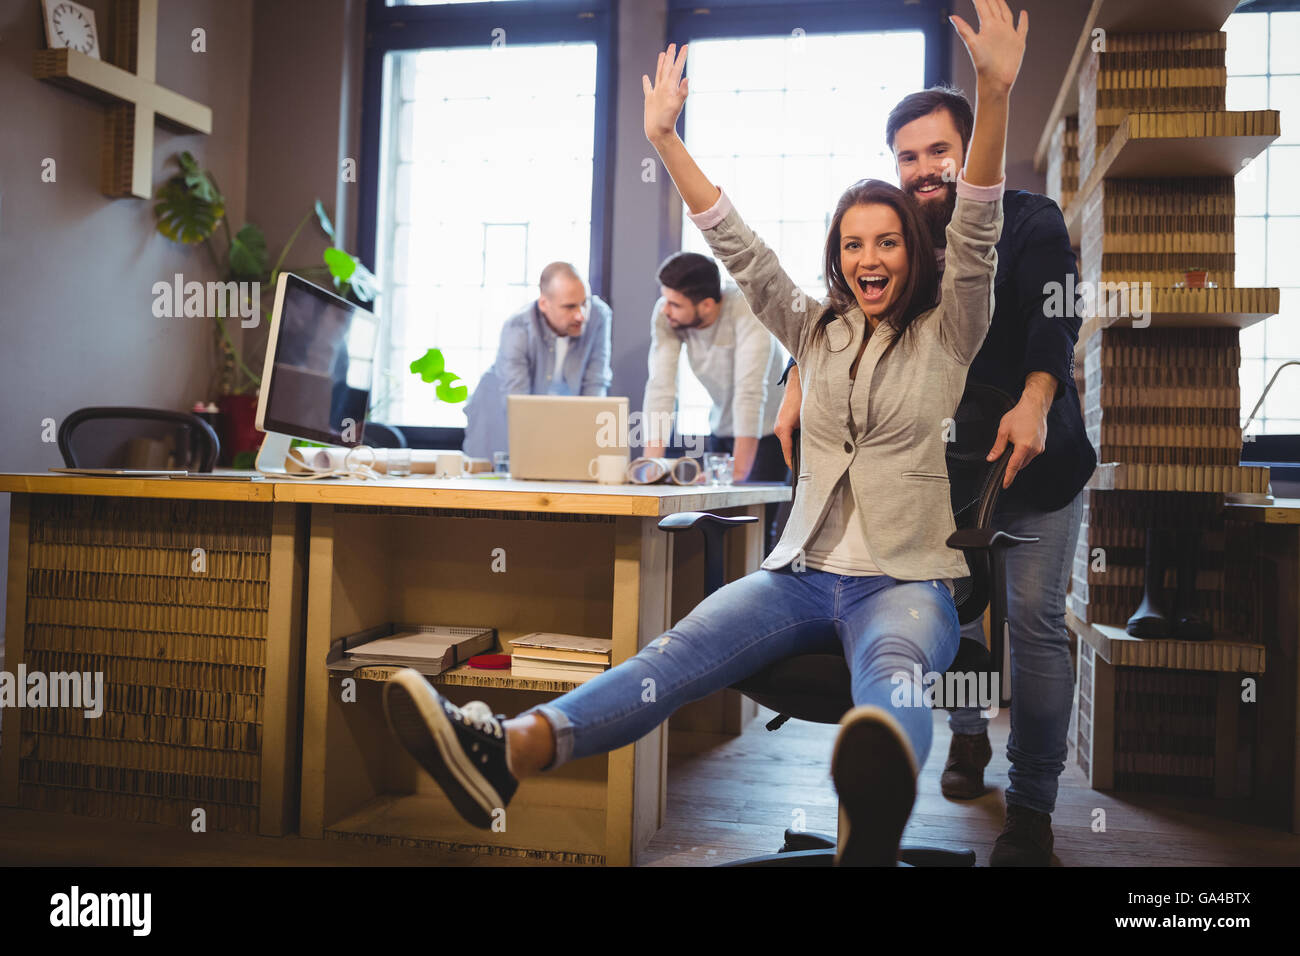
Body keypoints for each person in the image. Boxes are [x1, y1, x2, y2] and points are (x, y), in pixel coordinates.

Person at [382, 0, 1027, 866]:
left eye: (887, 244)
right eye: (851, 246)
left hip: (905, 578)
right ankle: (511, 748)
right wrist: (664, 140)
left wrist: (993, 90)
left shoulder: (952, 329)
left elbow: (978, 227)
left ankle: (873, 821)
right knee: (679, 650)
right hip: (802, 573)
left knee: (896, 674)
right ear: (838, 260)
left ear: (912, 251)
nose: (869, 259)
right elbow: (742, 248)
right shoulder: (816, 331)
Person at [772, 83, 1096, 865]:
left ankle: (1031, 807)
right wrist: (796, 383)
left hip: (1033, 457)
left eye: (938, 151)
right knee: (949, 621)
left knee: (1034, 626)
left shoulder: (1027, 220)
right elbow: (838, 314)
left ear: (969, 148)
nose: (923, 170)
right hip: (938, 470)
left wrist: (1037, 399)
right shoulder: (899, 233)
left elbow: (1058, 312)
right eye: (907, 156)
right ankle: (965, 738)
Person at [643, 251, 787, 548]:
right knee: (714, 531)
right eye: (665, 299)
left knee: (753, 532)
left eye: (675, 304)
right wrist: (652, 465)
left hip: (769, 431)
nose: (665, 310)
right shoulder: (666, 315)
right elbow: (661, 386)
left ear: (707, 305)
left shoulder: (747, 308)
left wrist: (739, 472)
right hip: (723, 428)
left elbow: (750, 389)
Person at [462, 262, 613, 460]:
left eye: (584, 302)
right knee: (496, 478)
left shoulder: (598, 317)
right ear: (544, 304)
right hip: (498, 411)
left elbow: (596, 381)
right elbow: (517, 402)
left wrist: (587, 437)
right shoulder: (517, 328)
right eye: (569, 307)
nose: (581, 315)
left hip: (555, 413)